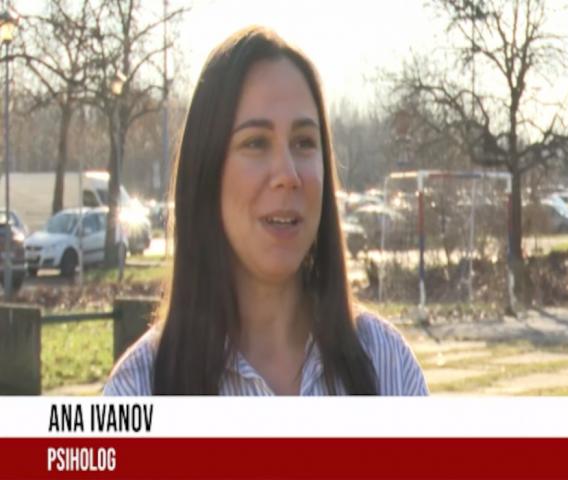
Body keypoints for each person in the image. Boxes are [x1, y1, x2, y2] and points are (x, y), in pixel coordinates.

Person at [104, 26, 427, 396]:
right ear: (206, 171)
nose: (288, 175)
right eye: (256, 143)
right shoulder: (140, 388)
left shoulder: (387, 366)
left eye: (304, 142)